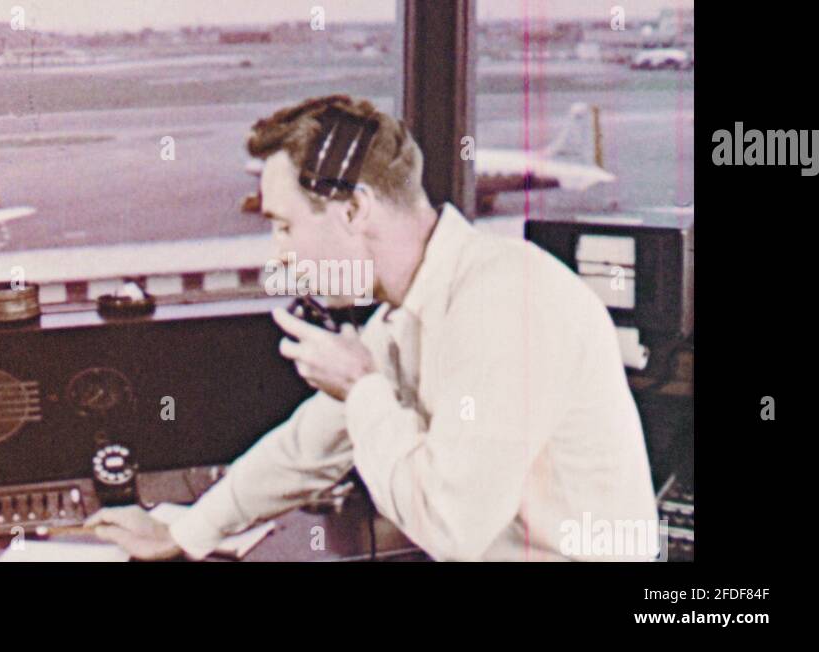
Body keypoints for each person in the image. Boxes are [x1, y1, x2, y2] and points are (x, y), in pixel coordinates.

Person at [86, 95, 659, 561]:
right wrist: (187, 533)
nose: (279, 256)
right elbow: (312, 442)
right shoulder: (413, 306)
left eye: (285, 226)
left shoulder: (504, 304)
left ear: (354, 212)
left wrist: (363, 389)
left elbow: (451, 527)